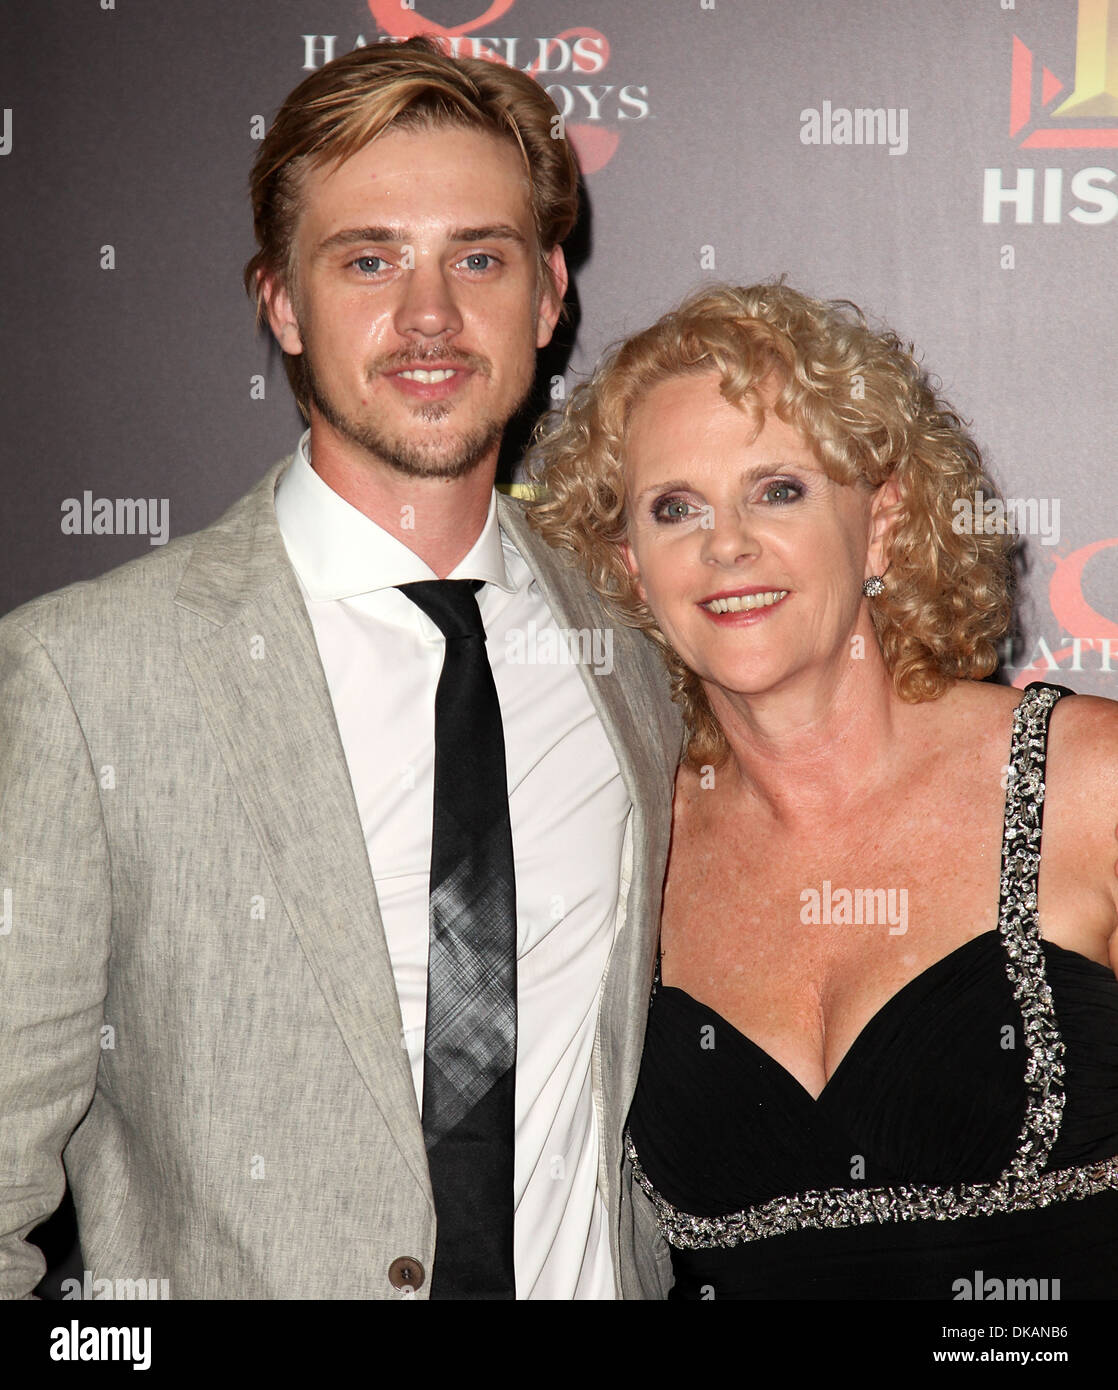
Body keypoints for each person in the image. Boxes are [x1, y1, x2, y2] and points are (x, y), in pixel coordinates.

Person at [0, 39, 681, 1301]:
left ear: (545, 298)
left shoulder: (639, 657)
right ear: (280, 302)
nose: (428, 316)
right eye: (367, 260)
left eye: (477, 258)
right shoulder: (86, 676)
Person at [528, 281, 1118, 1299]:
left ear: (881, 524)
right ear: (628, 567)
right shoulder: (624, 847)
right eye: (676, 509)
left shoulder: (1088, 785)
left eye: (778, 490)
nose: (726, 545)